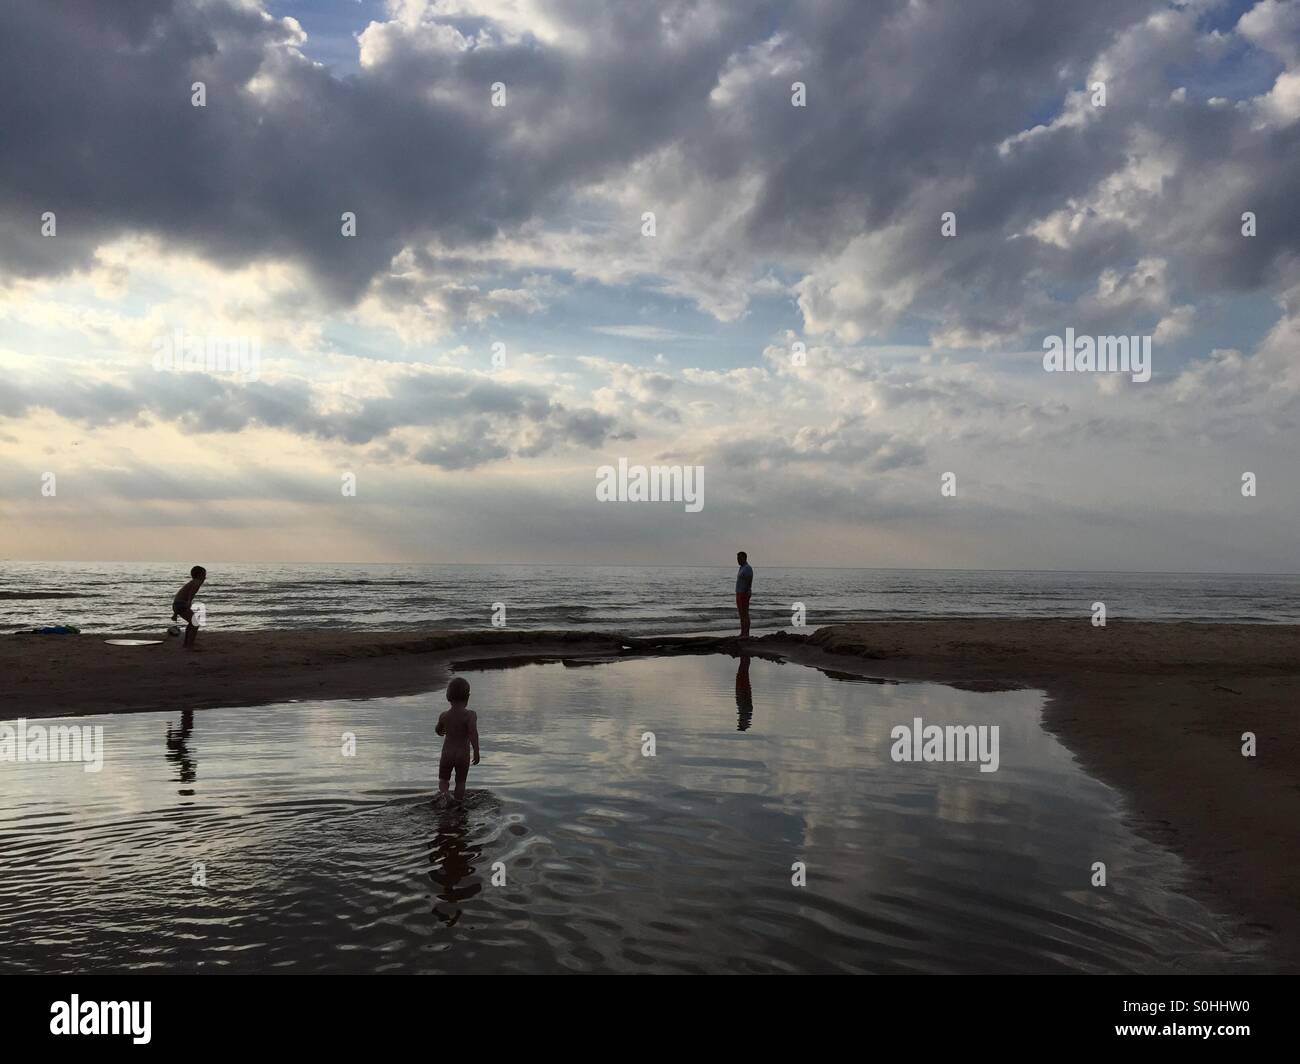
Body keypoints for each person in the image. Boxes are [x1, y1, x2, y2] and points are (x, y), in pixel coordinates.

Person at [435, 677, 481, 805]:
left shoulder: (444, 716)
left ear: (448, 696)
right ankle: (458, 804)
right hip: (462, 754)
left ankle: (446, 795)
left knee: (443, 780)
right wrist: (476, 751)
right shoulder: (470, 715)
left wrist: (439, 730)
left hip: (447, 754)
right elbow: (472, 733)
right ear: (468, 697)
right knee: (460, 782)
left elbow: (438, 730)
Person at [172, 565, 206, 651]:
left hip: (177, 604)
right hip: (181, 604)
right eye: (204, 574)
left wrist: (175, 613)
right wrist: (189, 602)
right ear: (199, 575)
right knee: (195, 623)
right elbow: (191, 593)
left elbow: (182, 594)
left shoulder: (194, 581)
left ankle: (187, 644)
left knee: (192, 623)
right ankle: (189, 645)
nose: (205, 577)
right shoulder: (197, 582)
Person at [735, 551, 753, 638]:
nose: (738, 560)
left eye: (739, 558)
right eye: (737, 558)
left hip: (744, 593)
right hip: (738, 593)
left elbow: (749, 581)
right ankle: (742, 632)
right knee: (741, 614)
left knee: (745, 613)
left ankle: (746, 633)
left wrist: (747, 592)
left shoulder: (747, 568)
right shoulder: (741, 568)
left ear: (744, 558)